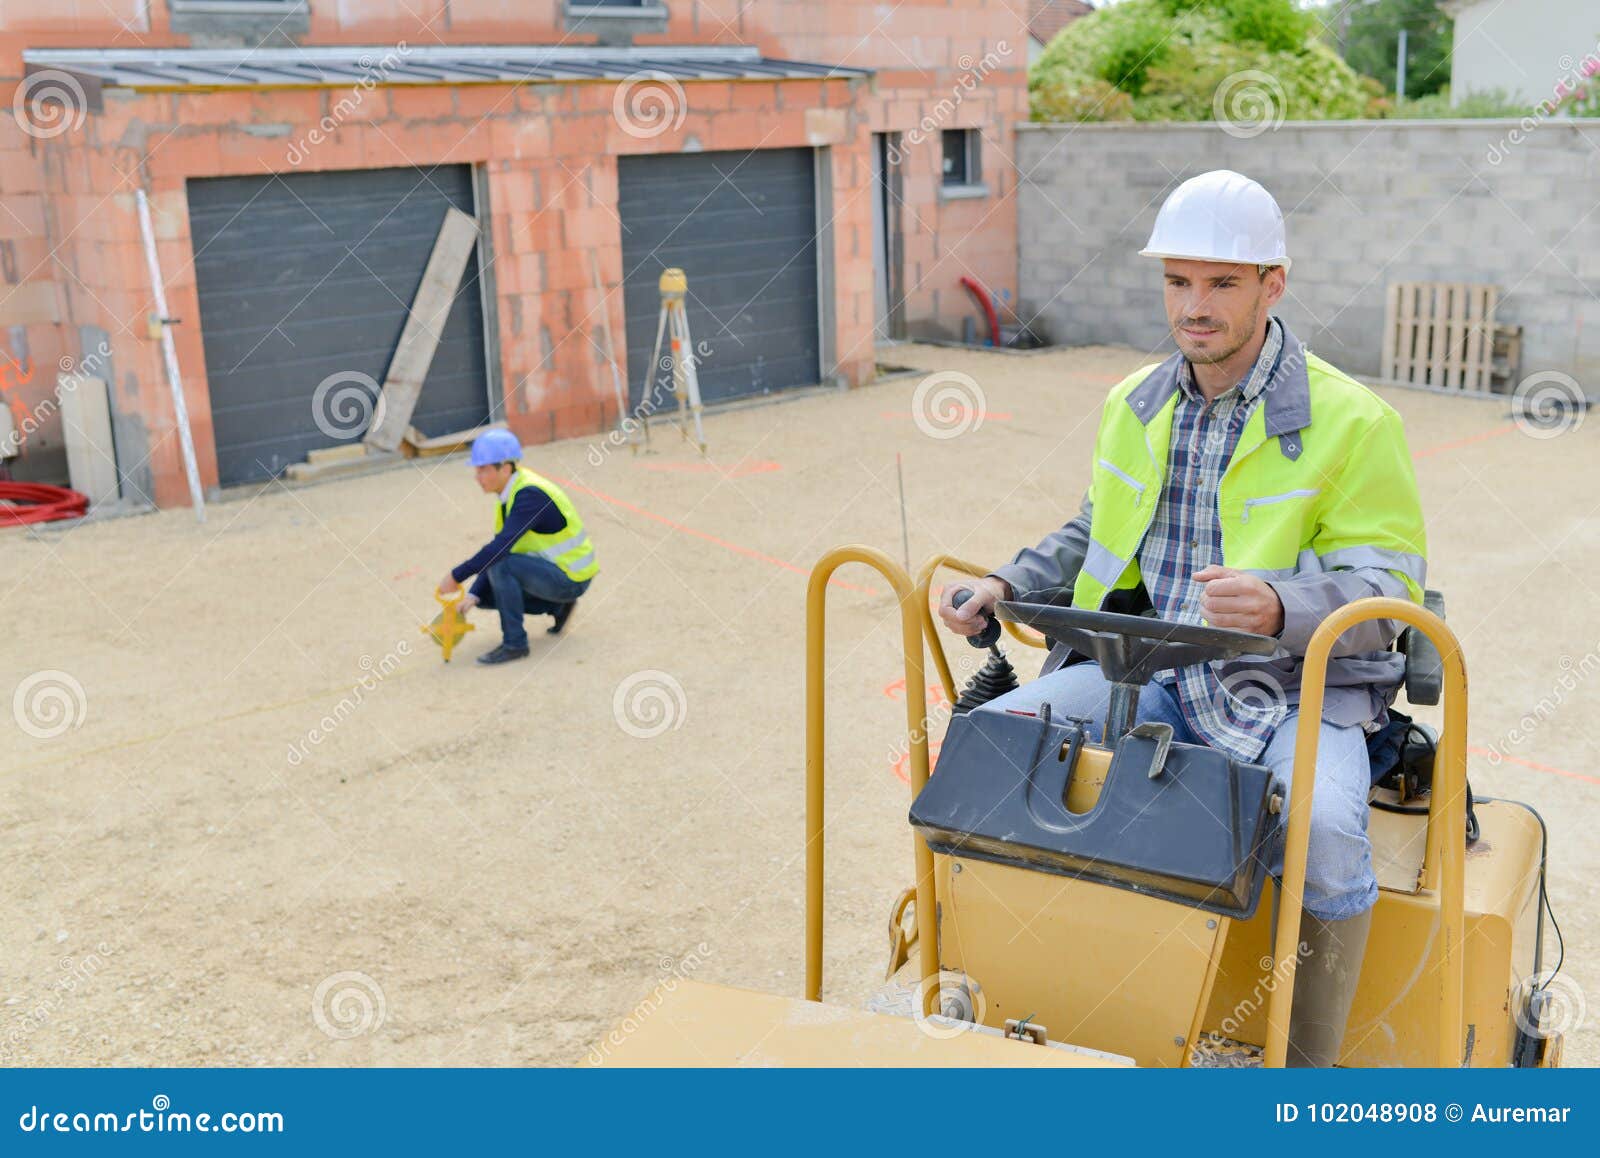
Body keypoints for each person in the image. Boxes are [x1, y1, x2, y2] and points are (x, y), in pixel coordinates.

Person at [937, 170, 1427, 1067]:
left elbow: (1389, 587)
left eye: (1221, 283)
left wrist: (1284, 606)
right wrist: (1006, 583)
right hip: (1146, 676)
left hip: (1291, 692)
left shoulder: (1357, 422)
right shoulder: (1134, 403)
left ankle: (1304, 1070)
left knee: (1322, 830)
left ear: (1272, 285)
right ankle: (1025, 1015)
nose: (1193, 306)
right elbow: (1093, 528)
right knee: (987, 744)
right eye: (1177, 281)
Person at [441, 429, 599, 665]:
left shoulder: (529, 495)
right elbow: (500, 549)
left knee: (502, 566)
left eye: (483, 469)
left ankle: (515, 644)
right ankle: (558, 608)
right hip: (557, 573)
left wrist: (457, 575)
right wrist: (473, 594)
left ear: (505, 468)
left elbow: (499, 551)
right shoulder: (509, 496)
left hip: (572, 577)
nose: (477, 476)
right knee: (485, 593)